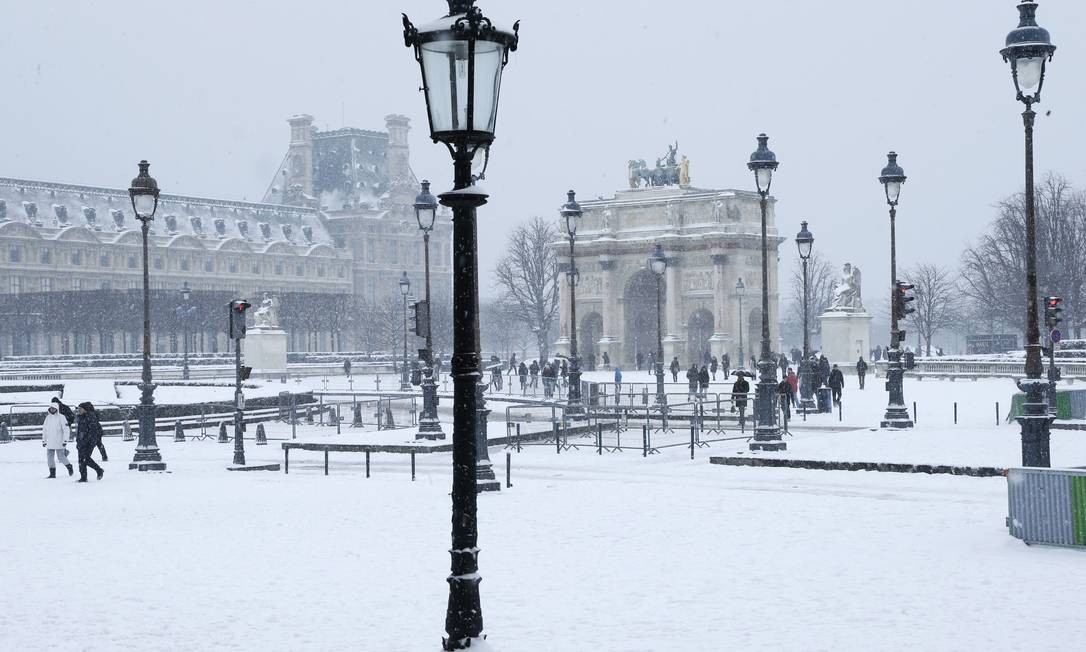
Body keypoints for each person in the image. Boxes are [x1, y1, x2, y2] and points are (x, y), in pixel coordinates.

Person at [75, 402, 105, 483]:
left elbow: (93, 431)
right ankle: (83, 477)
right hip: (81, 441)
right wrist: (78, 441)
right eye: (78, 408)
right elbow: (79, 431)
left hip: (89, 442)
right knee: (81, 460)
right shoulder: (81, 417)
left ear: (85, 409)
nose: (79, 410)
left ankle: (99, 470)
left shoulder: (90, 416)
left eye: (80, 408)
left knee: (86, 459)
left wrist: (90, 441)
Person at [42, 404, 74, 478]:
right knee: (49, 457)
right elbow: (44, 430)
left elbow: (66, 430)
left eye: (54, 408)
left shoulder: (61, 417)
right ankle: (52, 473)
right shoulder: (47, 418)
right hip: (50, 441)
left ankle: (69, 466)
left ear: (56, 409)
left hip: (59, 441)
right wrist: (44, 440)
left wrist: (65, 440)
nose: (52, 410)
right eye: (51, 408)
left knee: (61, 457)